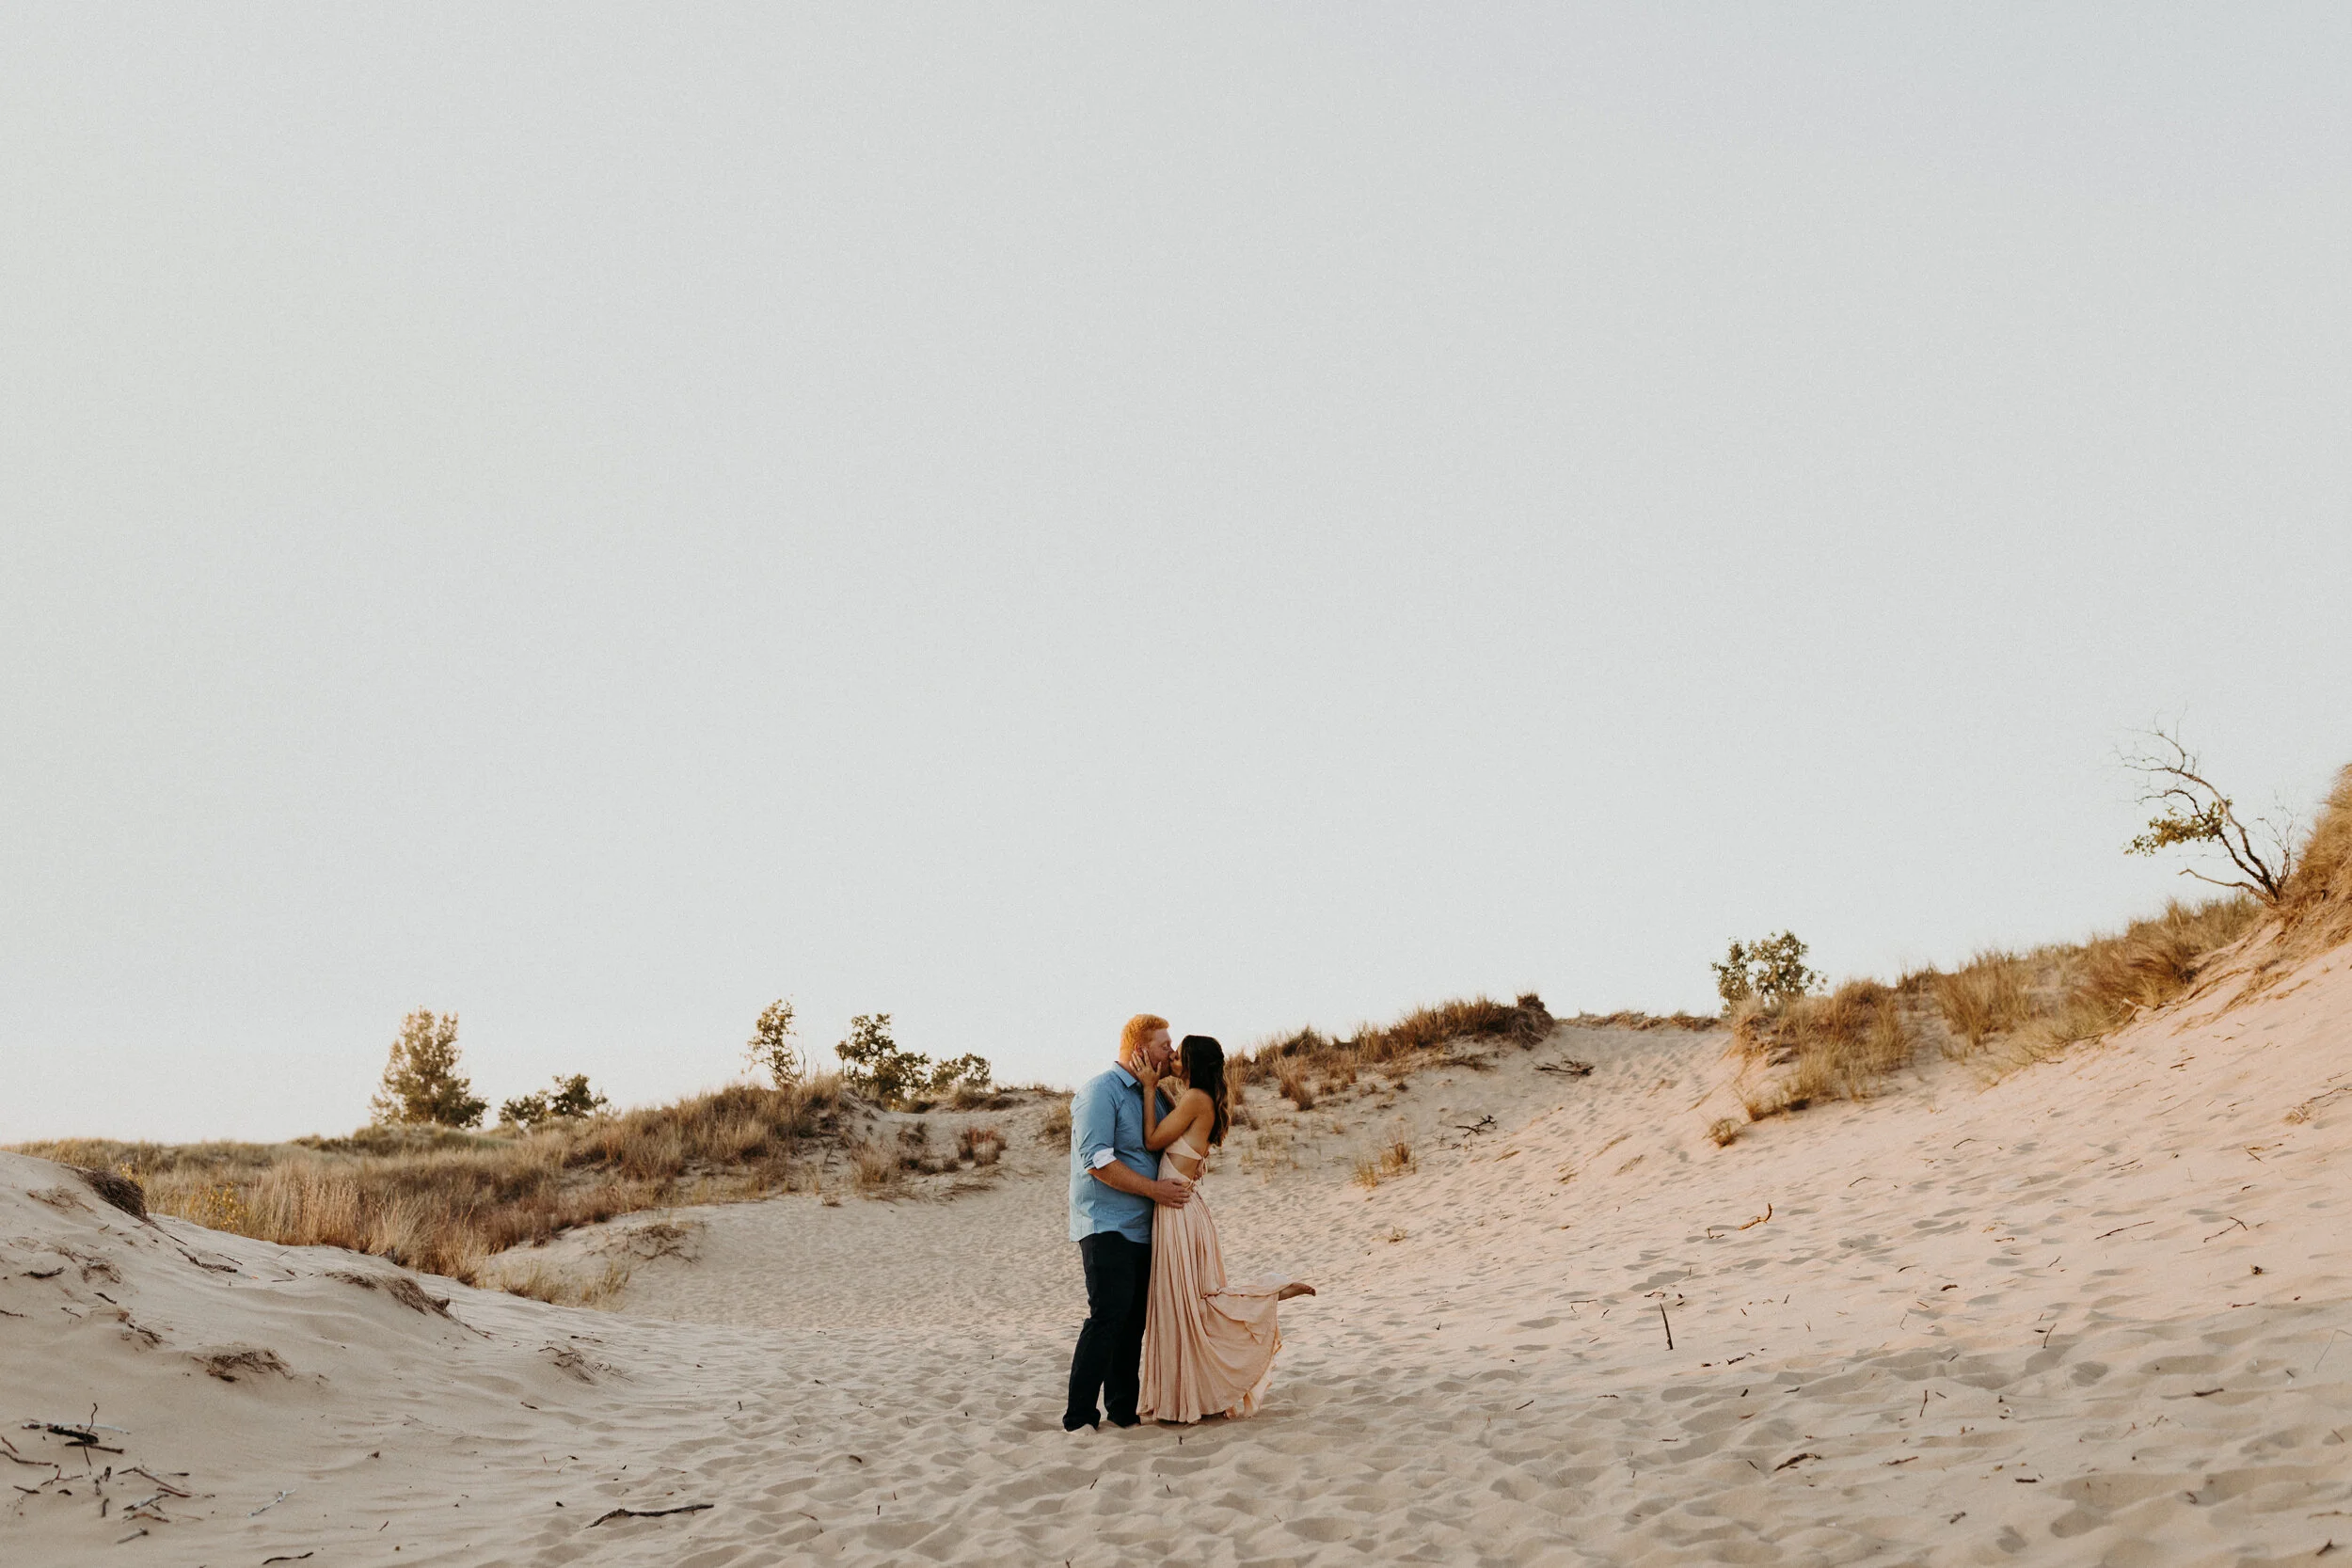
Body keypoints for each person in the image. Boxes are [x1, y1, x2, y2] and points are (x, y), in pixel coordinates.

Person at [1136, 1034, 1316, 1423]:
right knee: (1190, 1304)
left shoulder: (1196, 1099)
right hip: (1184, 1209)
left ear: (1194, 1064)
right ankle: (1197, 1393)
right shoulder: (1196, 1098)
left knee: (1191, 1304)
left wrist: (1150, 1087)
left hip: (1178, 1214)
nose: (1174, 1062)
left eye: (1180, 1057)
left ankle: (1270, 1294)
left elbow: (1151, 1140)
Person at [1063, 1014, 1196, 1431]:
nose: (1171, 1053)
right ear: (1140, 1050)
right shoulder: (1099, 1092)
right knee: (1107, 1317)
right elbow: (1097, 1161)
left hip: (1145, 1227)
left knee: (1133, 1323)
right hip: (1106, 1224)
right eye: (1164, 1046)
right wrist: (1156, 1191)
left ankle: (1123, 1412)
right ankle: (1079, 1417)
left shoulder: (1153, 1095)